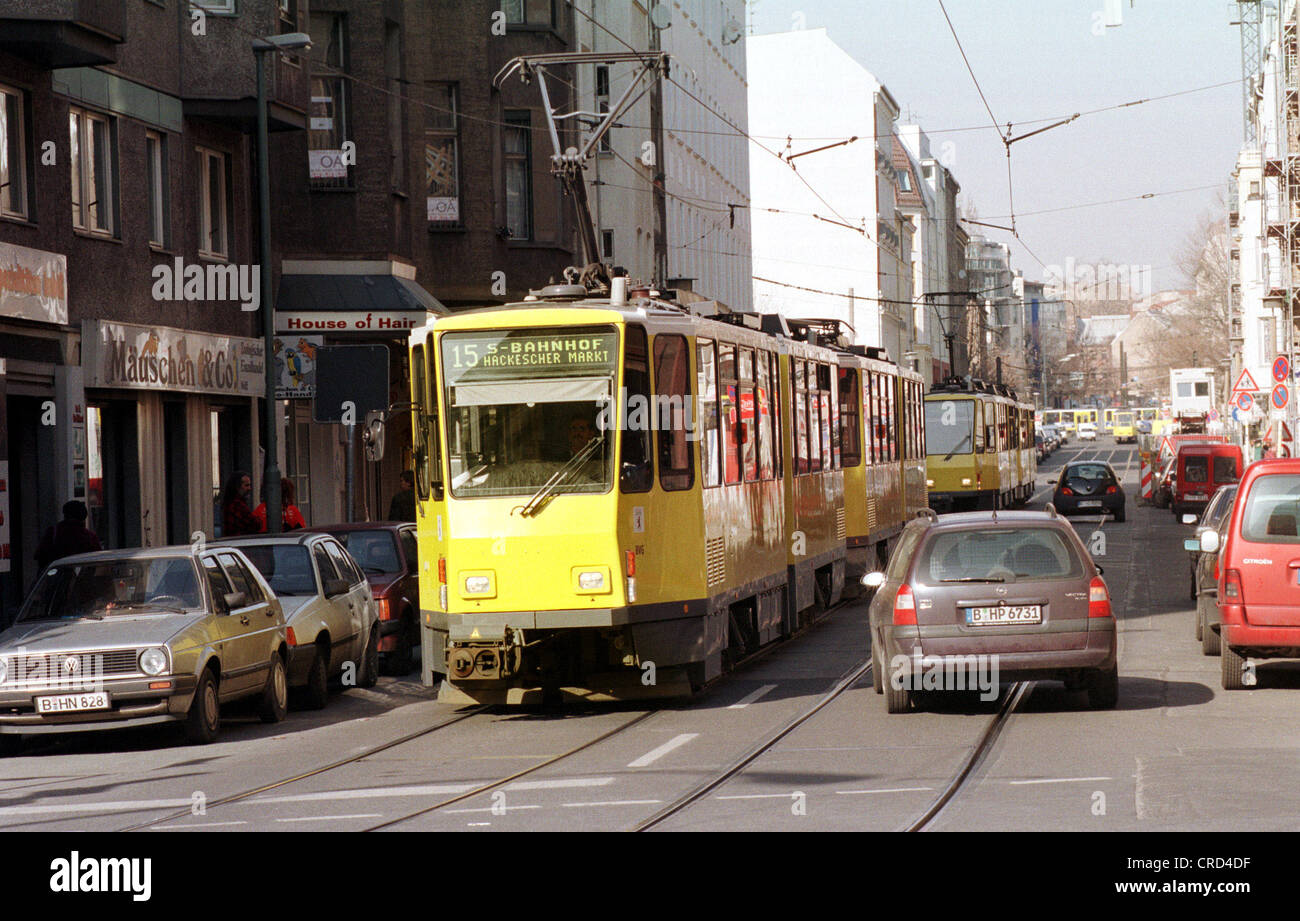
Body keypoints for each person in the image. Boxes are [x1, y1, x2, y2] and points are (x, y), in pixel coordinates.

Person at [34, 500, 102, 571]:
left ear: (65, 515)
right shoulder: (89, 537)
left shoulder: (53, 532)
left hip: (54, 576)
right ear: (83, 517)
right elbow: (98, 563)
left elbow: (39, 555)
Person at [220, 471, 262, 536]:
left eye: (249, 485)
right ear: (237, 486)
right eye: (246, 485)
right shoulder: (237, 505)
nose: (249, 488)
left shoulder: (233, 503)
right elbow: (254, 523)